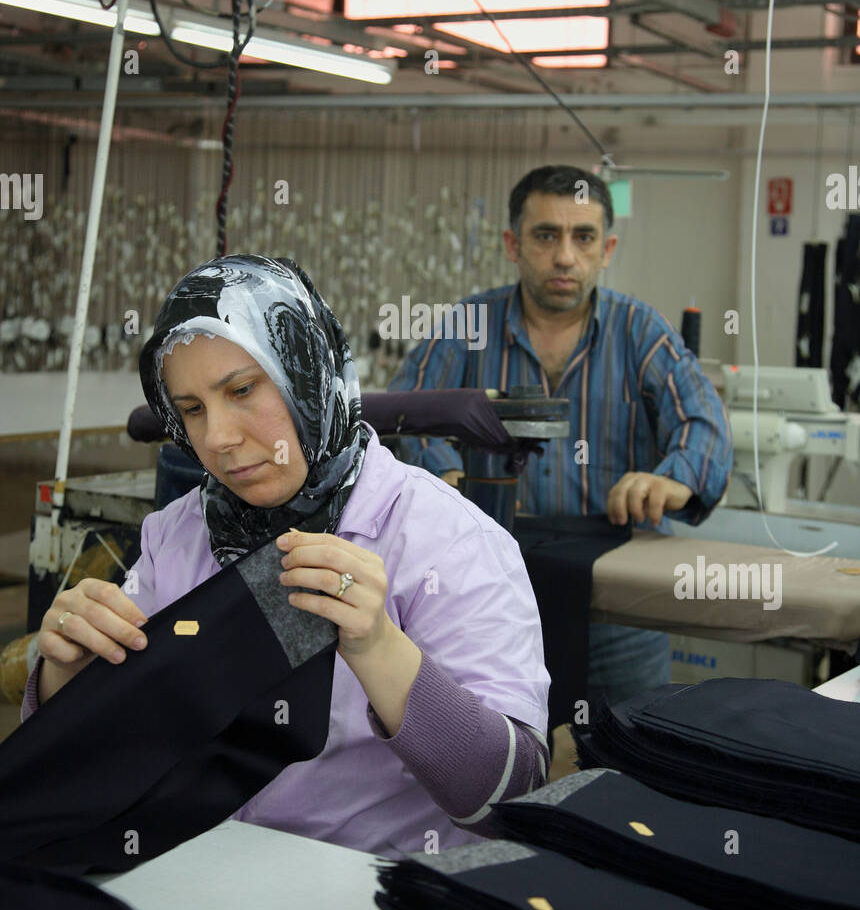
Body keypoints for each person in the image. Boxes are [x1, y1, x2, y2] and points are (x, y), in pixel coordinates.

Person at [21, 255, 550, 858]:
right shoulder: (178, 533)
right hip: (194, 876)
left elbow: (509, 796)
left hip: (370, 905)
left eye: (242, 389)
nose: (217, 437)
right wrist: (66, 675)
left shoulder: (449, 543)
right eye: (191, 409)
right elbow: (100, 759)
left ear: (308, 371)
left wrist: (380, 649)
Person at [387, 165, 733, 723]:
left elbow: (704, 422)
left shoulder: (641, 332)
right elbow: (403, 416)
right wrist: (446, 479)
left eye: (584, 237)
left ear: (608, 248)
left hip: (614, 611)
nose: (565, 256)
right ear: (513, 244)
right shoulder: (466, 326)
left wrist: (674, 476)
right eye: (546, 235)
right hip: (480, 598)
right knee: (487, 761)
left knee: (627, 764)